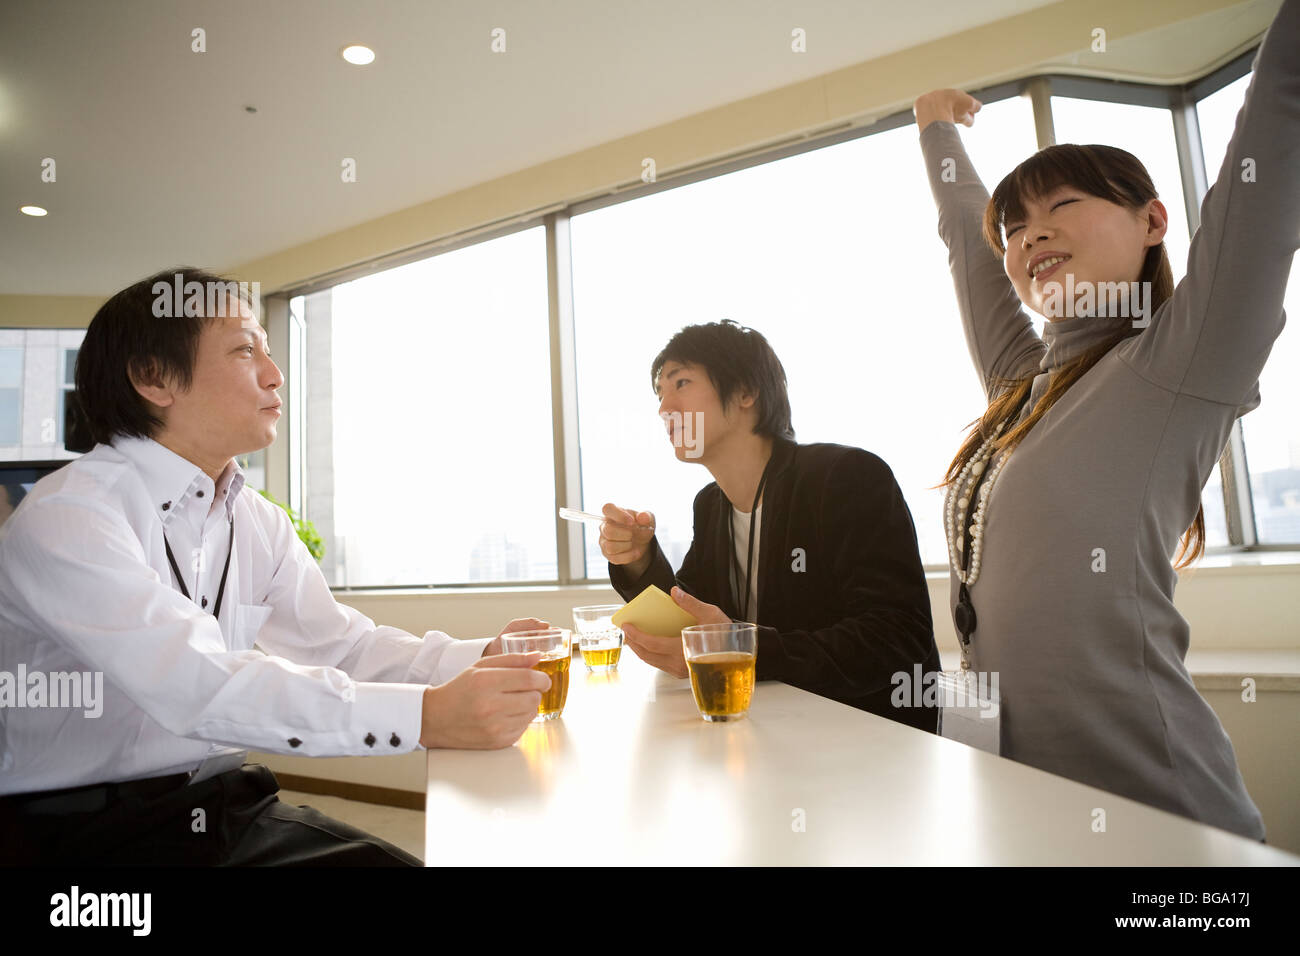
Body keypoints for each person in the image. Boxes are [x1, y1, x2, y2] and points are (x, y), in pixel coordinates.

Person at [0, 267, 552, 866]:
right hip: (79, 833)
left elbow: (341, 645)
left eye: (268, 347)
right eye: (244, 349)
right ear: (153, 377)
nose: (274, 372)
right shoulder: (72, 512)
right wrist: (427, 716)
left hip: (219, 806)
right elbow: (198, 683)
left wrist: (483, 657)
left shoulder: (256, 518)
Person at [912, 0, 1298, 842]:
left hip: (1159, 819)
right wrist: (936, 129)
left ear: (1153, 221)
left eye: (1064, 204)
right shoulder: (1021, 384)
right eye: (1016, 225)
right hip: (1018, 800)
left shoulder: (1181, 362)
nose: (1029, 233)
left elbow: (1269, 144)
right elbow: (968, 249)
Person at [600, 320, 940, 733]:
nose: (663, 408)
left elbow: (897, 639)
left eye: (681, 383)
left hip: (864, 743)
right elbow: (693, 617)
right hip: (763, 737)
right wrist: (638, 561)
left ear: (746, 391)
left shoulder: (845, 476)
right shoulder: (711, 506)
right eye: (659, 393)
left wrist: (744, 648)